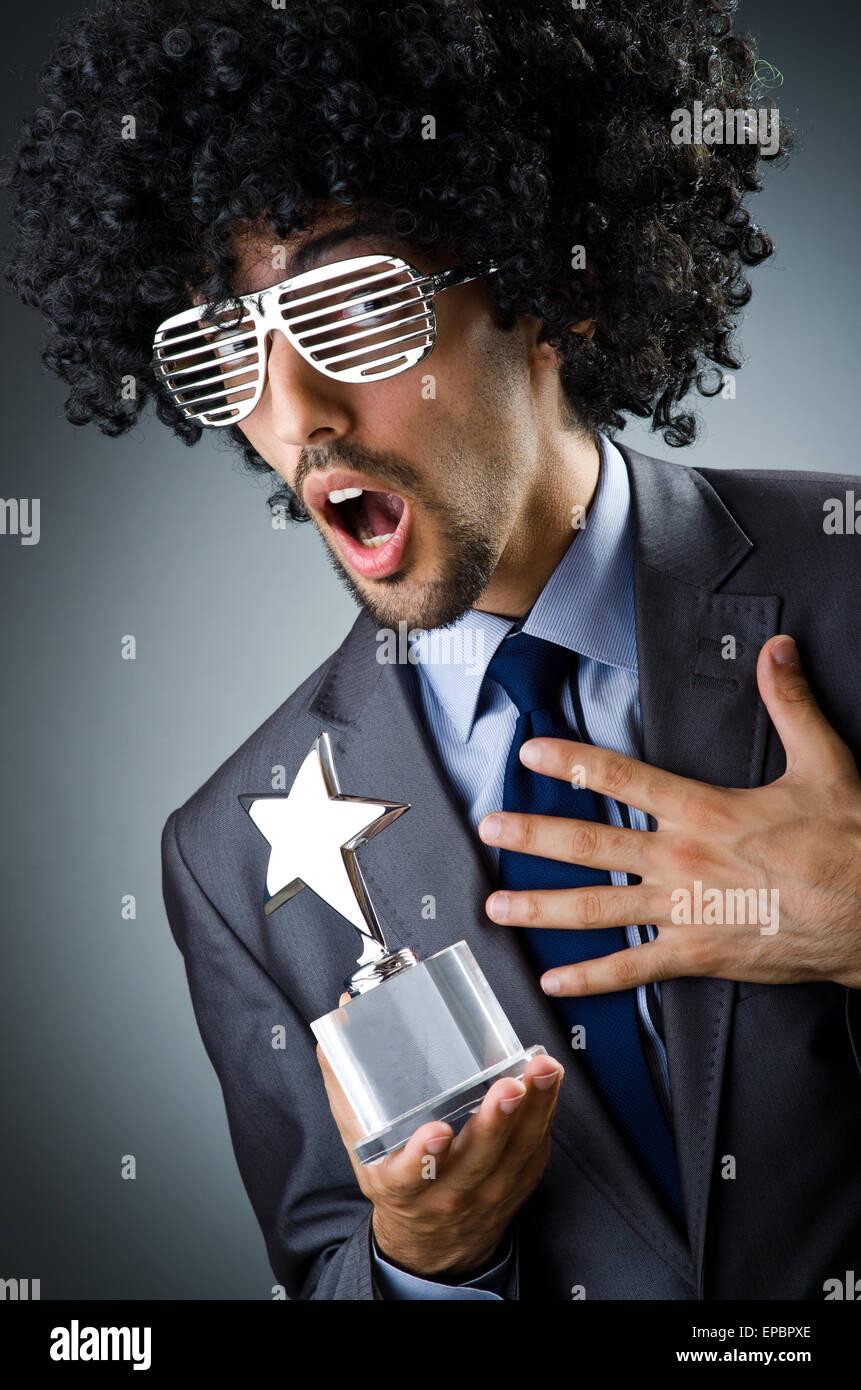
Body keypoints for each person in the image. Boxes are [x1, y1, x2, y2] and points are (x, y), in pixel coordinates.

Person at [5, 0, 860, 1300]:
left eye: (352, 311)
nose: (293, 414)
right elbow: (324, 1272)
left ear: (554, 290)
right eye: (231, 342)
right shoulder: (231, 855)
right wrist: (423, 1258)